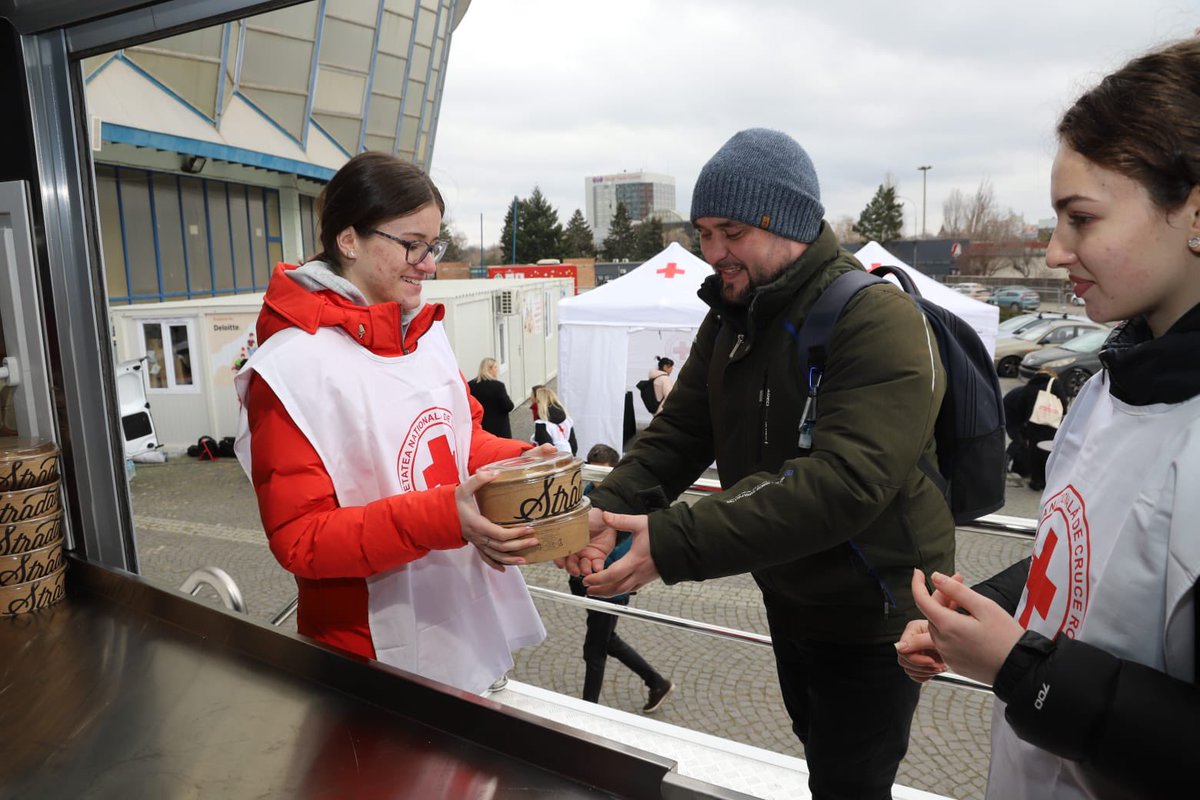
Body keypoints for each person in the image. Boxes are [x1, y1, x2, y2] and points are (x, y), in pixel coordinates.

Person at [569, 128, 955, 800]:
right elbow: (681, 432)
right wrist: (606, 510)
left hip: (876, 607)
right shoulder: (733, 316)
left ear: (793, 224)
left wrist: (674, 538)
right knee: (820, 756)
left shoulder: (877, 319)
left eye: (732, 232)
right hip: (790, 589)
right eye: (704, 232)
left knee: (849, 783)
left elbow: (846, 483)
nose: (713, 253)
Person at [896, 38, 1200, 799]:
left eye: (1082, 218)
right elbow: (1080, 565)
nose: (1057, 251)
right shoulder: (1108, 386)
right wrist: (988, 612)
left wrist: (1021, 669)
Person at [233, 151, 549, 695]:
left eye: (434, 245)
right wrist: (440, 517)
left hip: (454, 611)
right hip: (364, 646)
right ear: (349, 239)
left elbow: (457, 441)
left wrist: (523, 462)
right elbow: (300, 540)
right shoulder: (288, 368)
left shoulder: (422, 332)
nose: (428, 263)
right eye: (412, 244)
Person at [568, 443, 674, 712]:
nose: (600, 481)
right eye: (594, 475)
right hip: (589, 584)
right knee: (608, 641)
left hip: (611, 589)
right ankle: (657, 682)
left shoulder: (625, 508)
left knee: (594, 651)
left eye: (606, 474)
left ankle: (588, 712)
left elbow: (626, 553)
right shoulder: (585, 499)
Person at [1002, 369, 1073, 490]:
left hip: (1033, 425)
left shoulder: (1030, 385)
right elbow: (1064, 405)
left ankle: (1035, 481)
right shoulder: (1055, 384)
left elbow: (1021, 406)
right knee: (1047, 451)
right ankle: (1046, 480)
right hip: (1050, 425)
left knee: (1034, 452)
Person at [468, 357, 515, 438]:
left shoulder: (470, 385)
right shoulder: (498, 386)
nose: (497, 370)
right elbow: (509, 406)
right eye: (495, 367)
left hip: (481, 427)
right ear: (489, 369)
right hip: (499, 428)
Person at [530, 384, 577, 455]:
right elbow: (573, 444)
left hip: (553, 462)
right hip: (568, 456)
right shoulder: (567, 420)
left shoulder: (542, 424)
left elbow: (546, 450)